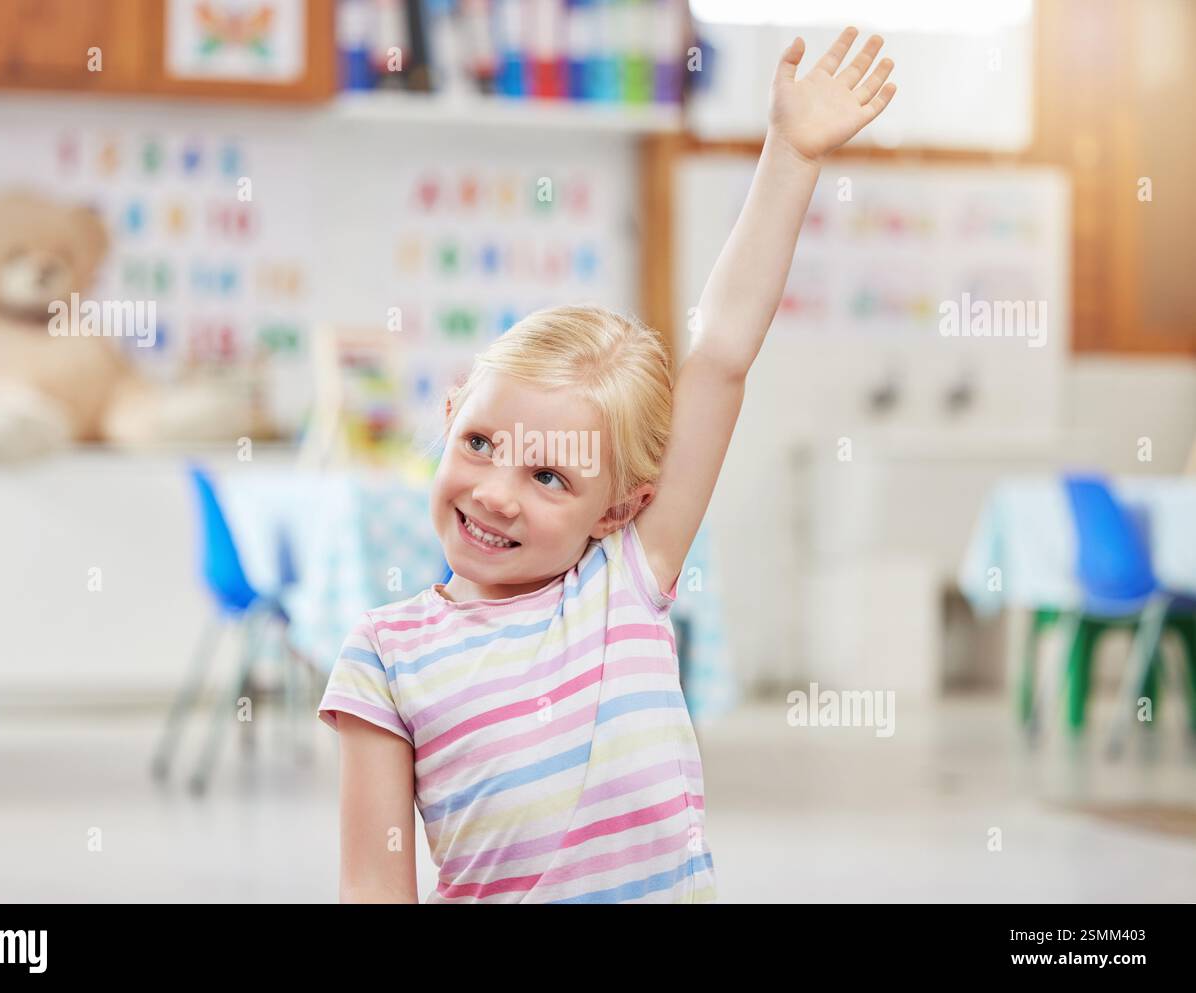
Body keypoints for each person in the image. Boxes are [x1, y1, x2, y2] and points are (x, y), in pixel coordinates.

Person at [320, 27, 898, 903]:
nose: (496, 493)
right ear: (449, 420)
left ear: (620, 508)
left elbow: (723, 355)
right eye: (480, 444)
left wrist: (790, 152)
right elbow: (373, 886)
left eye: (550, 477)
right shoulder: (383, 655)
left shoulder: (627, 576)